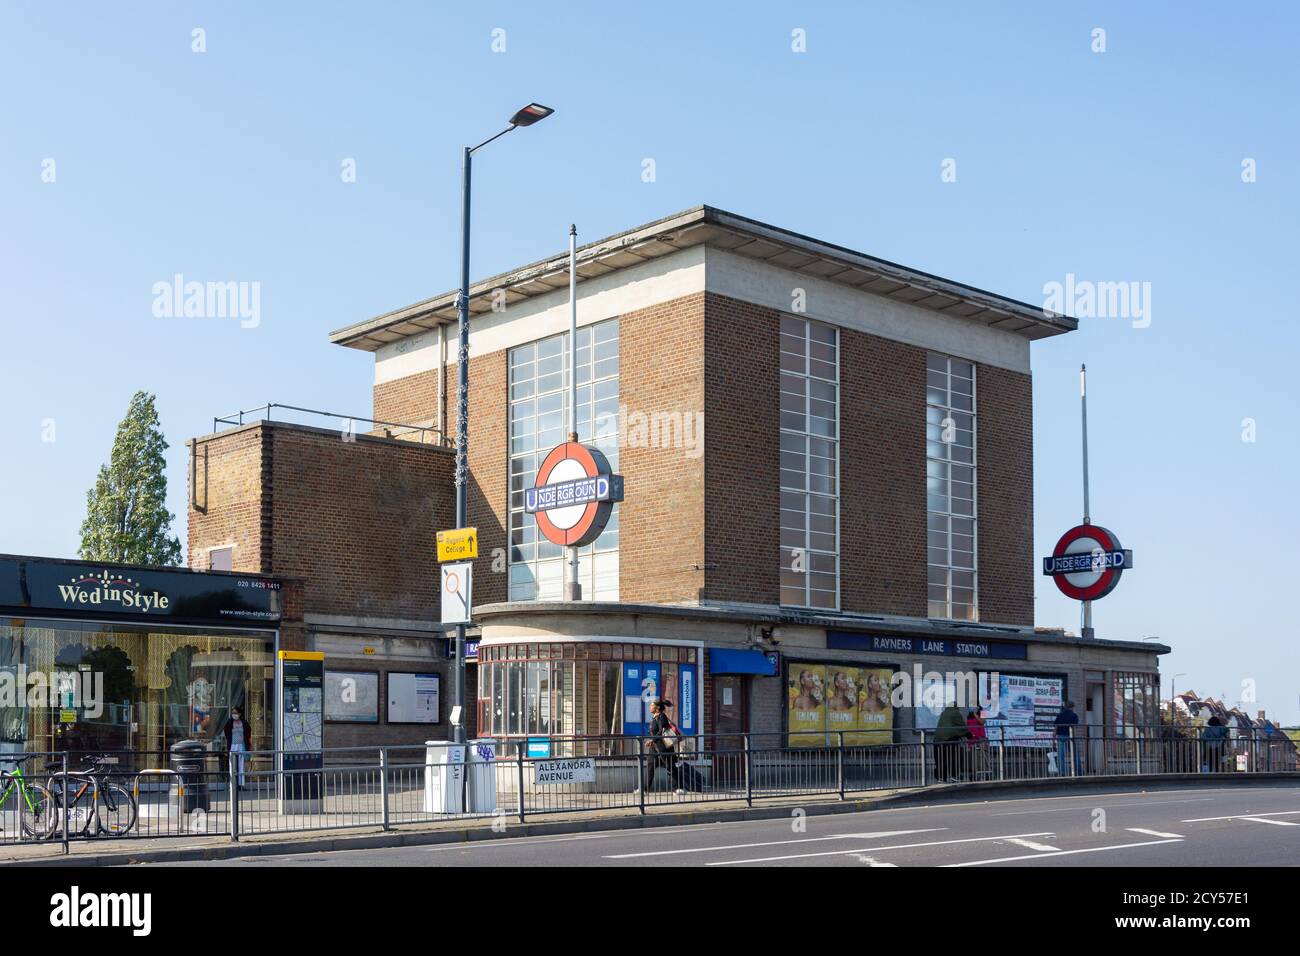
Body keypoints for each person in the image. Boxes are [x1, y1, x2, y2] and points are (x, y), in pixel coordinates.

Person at [635, 699, 685, 796]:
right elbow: (655, 732)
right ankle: (644, 789)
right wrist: (652, 741)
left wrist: (652, 740)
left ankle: (678, 788)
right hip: (654, 747)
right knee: (650, 767)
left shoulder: (662, 716)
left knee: (670, 767)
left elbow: (662, 731)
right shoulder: (654, 717)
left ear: (657, 708)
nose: (650, 707)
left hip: (664, 746)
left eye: (652, 705)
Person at [934, 702, 970, 782]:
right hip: (949, 738)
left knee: (940, 758)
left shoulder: (944, 712)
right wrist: (969, 735)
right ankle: (954, 776)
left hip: (937, 739)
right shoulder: (955, 712)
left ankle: (941, 777)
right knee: (954, 757)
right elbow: (961, 726)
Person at [223, 706, 252, 789]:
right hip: (232, 746)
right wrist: (227, 745)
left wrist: (248, 744)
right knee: (233, 765)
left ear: (239, 714)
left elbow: (248, 732)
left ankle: (240, 784)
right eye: (233, 713)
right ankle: (233, 785)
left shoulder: (244, 723)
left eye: (235, 713)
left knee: (241, 766)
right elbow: (226, 733)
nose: (234, 714)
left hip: (241, 745)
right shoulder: (229, 723)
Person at [1053, 700, 1081, 776]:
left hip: (1061, 737)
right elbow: (1074, 728)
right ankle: (1079, 772)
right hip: (1071, 737)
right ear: (1072, 707)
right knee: (1075, 755)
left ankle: (1062, 773)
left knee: (1061, 756)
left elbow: (1055, 728)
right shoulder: (1074, 716)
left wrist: (1053, 740)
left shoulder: (1060, 715)